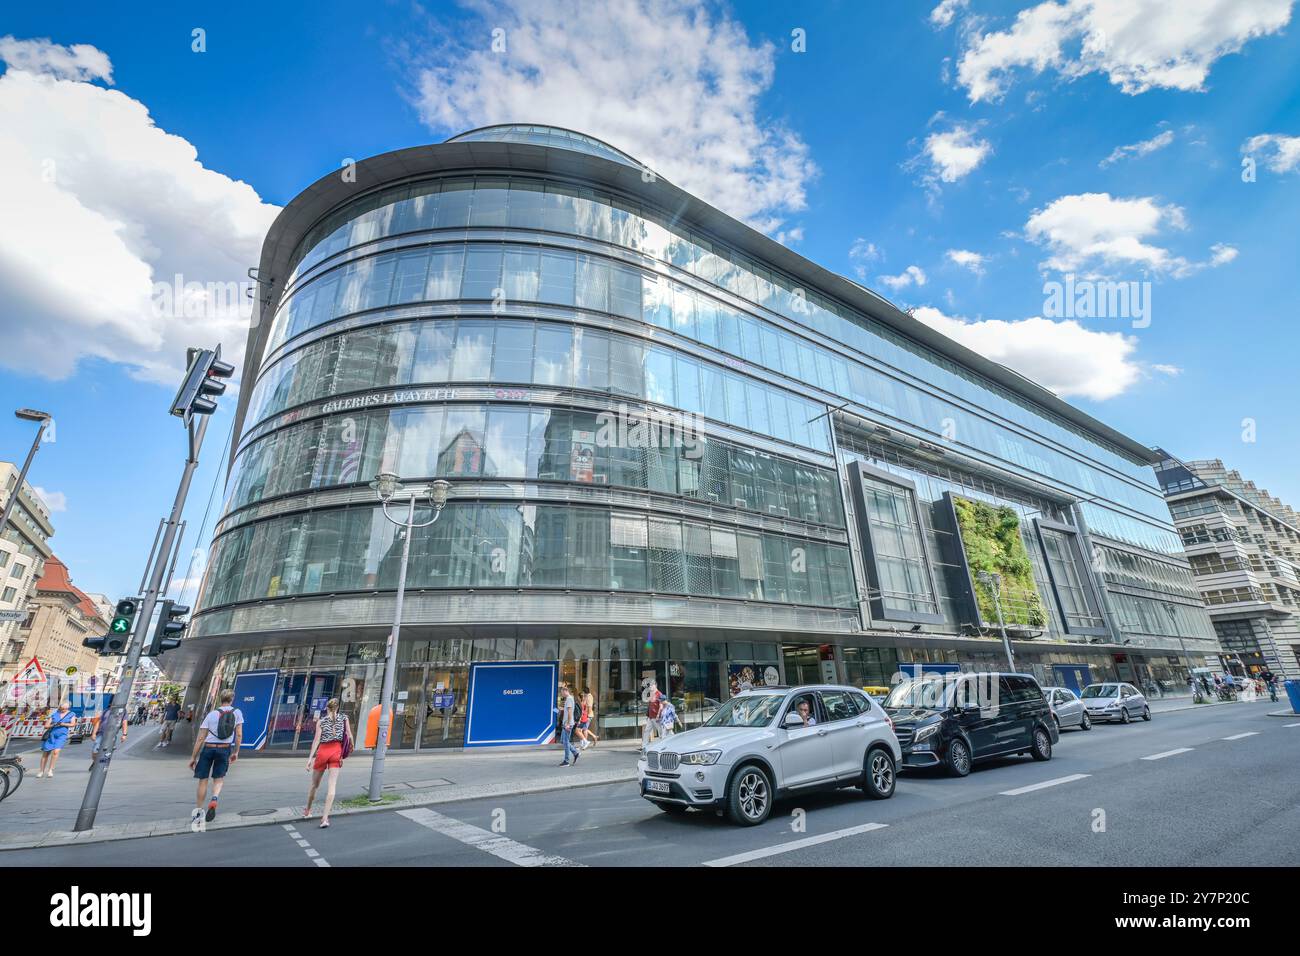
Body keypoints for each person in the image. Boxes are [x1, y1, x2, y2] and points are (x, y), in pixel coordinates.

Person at [189, 690, 244, 825]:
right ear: (232, 699)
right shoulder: (237, 713)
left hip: (208, 748)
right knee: (218, 779)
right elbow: (238, 735)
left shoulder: (211, 714)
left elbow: (201, 737)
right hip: (224, 749)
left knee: (203, 781)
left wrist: (193, 757)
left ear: (220, 699)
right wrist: (236, 752)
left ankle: (198, 814)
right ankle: (214, 798)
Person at [303, 698, 351, 828]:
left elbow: (316, 741)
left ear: (327, 708)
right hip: (337, 752)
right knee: (332, 786)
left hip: (323, 752)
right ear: (338, 708)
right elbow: (349, 736)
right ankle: (325, 819)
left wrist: (309, 759)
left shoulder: (321, 721)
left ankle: (307, 810)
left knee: (314, 785)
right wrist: (344, 753)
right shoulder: (344, 718)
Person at [37, 702, 76, 778]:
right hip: (51, 735)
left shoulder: (71, 714)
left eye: (65, 709)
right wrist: (53, 725)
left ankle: (50, 770)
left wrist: (63, 724)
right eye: (62, 708)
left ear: (68, 708)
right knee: (46, 753)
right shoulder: (54, 714)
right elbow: (46, 726)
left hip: (62, 736)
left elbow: (73, 724)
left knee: (56, 752)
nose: (63, 710)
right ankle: (41, 771)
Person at [88, 706, 128, 771]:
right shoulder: (106, 710)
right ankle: (95, 762)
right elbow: (98, 722)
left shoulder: (123, 711)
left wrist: (124, 734)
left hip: (111, 734)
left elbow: (124, 723)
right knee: (95, 751)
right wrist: (94, 733)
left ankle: (101, 766)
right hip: (101, 733)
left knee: (106, 751)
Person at [558, 682, 580, 767]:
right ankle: (575, 752)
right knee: (564, 741)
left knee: (566, 742)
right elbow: (568, 711)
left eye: (561, 693)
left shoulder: (569, 699)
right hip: (567, 723)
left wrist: (567, 724)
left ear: (565, 691)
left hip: (568, 724)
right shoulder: (568, 699)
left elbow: (570, 712)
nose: (561, 694)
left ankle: (566, 761)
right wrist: (562, 709)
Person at [641, 680, 666, 753]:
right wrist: (648, 715)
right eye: (650, 686)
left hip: (656, 717)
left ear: (655, 685)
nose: (650, 687)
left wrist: (659, 715)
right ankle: (644, 746)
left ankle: (663, 746)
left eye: (652, 685)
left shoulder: (659, 694)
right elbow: (650, 705)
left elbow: (661, 706)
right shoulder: (652, 694)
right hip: (650, 717)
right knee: (646, 731)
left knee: (660, 732)